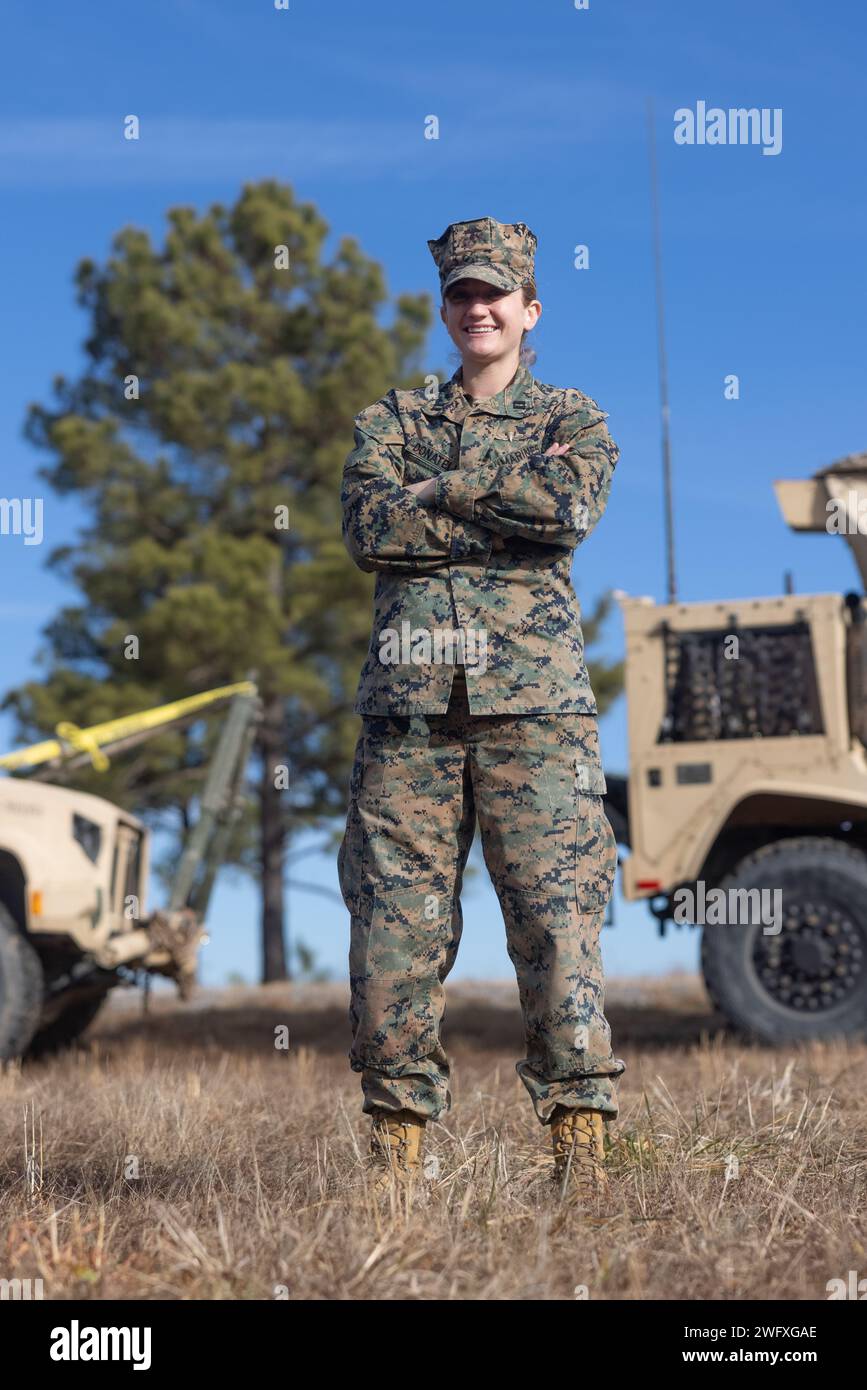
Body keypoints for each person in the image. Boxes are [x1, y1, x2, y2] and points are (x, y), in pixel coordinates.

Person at [337, 216, 624, 1203]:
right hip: (410, 719)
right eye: (462, 293)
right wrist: (496, 504)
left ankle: (581, 1166)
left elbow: (565, 511)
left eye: (496, 293)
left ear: (530, 309)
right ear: (446, 308)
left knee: (559, 928)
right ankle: (396, 1173)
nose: (479, 307)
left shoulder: (573, 420)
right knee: (391, 937)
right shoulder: (391, 419)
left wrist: (447, 488)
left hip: (536, 717)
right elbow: (371, 525)